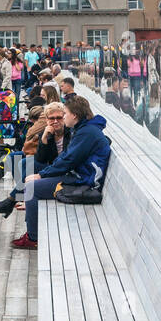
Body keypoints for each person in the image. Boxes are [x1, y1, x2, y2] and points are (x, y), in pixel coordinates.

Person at [10, 95, 111, 249]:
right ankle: (29, 226)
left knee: (31, 187)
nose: (64, 116)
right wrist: (44, 173)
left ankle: (33, 238)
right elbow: (65, 157)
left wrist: (42, 175)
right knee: (29, 178)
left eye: (65, 113)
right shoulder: (84, 130)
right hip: (77, 175)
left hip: (84, 183)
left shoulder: (86, 133)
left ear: (74, 115)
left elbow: (68, 160)